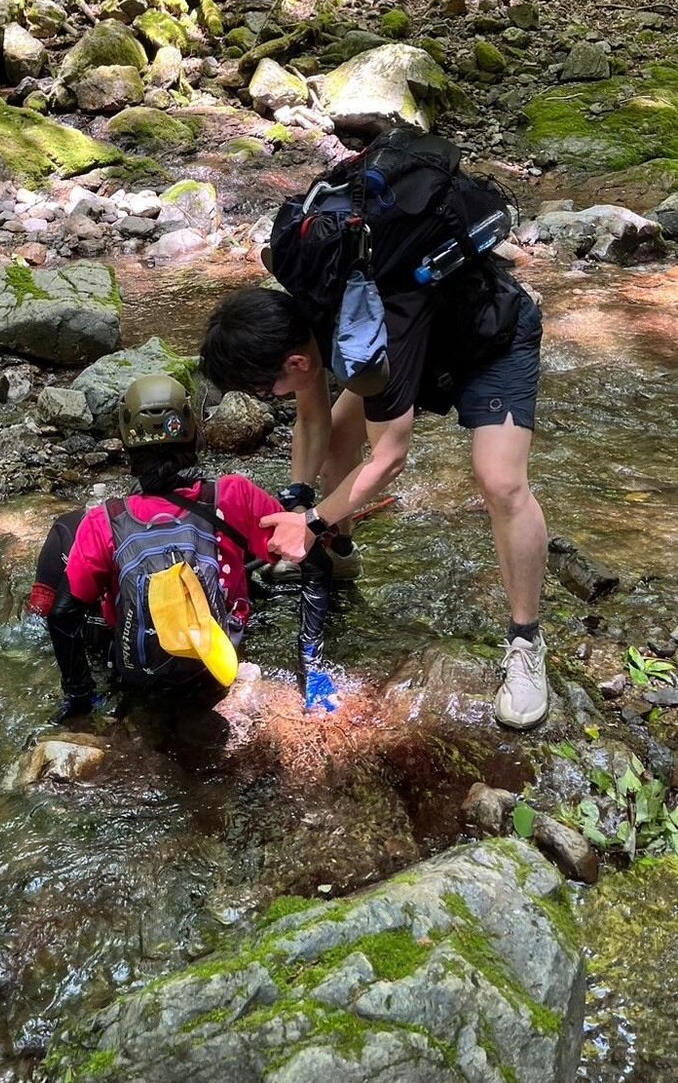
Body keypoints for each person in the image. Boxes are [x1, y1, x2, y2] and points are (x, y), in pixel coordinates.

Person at [200, 153, 549, 733]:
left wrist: (309, 522)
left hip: (490, 342)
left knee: (501, 481)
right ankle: (338, 555)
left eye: (267, 387)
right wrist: (298, 501)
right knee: (340, 433)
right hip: (420, 344)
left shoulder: (368, 339)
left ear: (295, 362)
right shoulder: (308, 295)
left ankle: (526, 643)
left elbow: (390, 458)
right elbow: (313, 421)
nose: (271, 396)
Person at [43, 374, 337, 721]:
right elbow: (316, 565)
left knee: (68, 552)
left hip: (138, 676)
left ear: (126, 444)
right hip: (216, 666)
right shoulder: (234, 496)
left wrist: (79, 694)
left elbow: (62, 615)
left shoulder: (103, 521)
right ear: (194, 432)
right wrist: (311, 665)